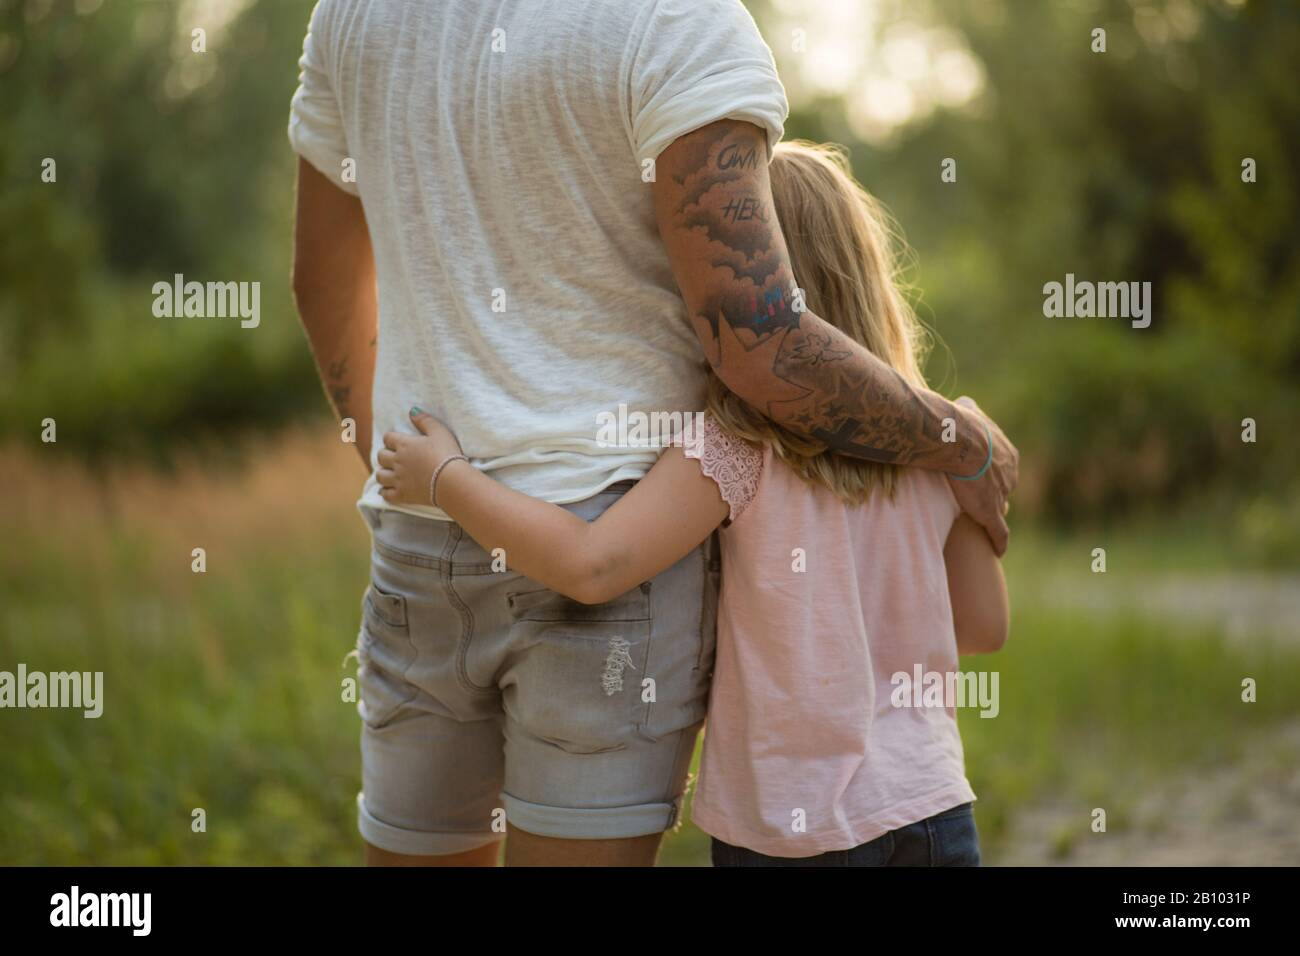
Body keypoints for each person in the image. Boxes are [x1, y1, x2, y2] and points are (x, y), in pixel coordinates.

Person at [288, 0, 1017, 866]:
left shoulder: (357, 13)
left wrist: (420, 472)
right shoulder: (931, 450)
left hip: (436, 539)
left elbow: (320, 281)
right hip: (927, 807)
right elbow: (979, 626)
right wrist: (956, 440)